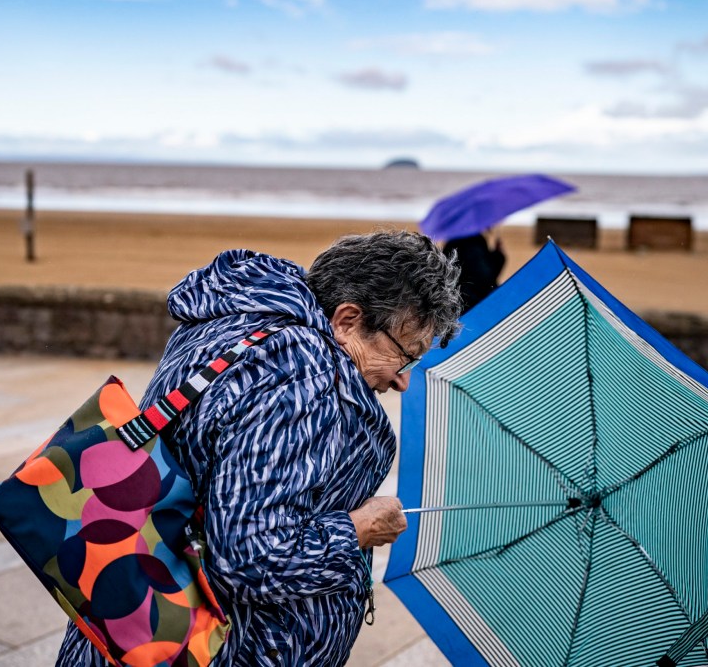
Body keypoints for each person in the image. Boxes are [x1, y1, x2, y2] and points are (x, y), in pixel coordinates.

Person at [56, 230, 462, 666]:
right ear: (347, 320)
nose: (403, 379)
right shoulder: (299, 375)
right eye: (406, 355)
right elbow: (252, 559)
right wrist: (358, 528)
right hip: (211, 649)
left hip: (131, 625)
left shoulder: (242, 318)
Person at [442, 226, 506, 313]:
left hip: (457, 303)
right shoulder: (473, 242)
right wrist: (499, 256)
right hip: (475, 302)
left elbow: (445, 272)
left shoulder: (452, 242)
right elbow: (485, 275)